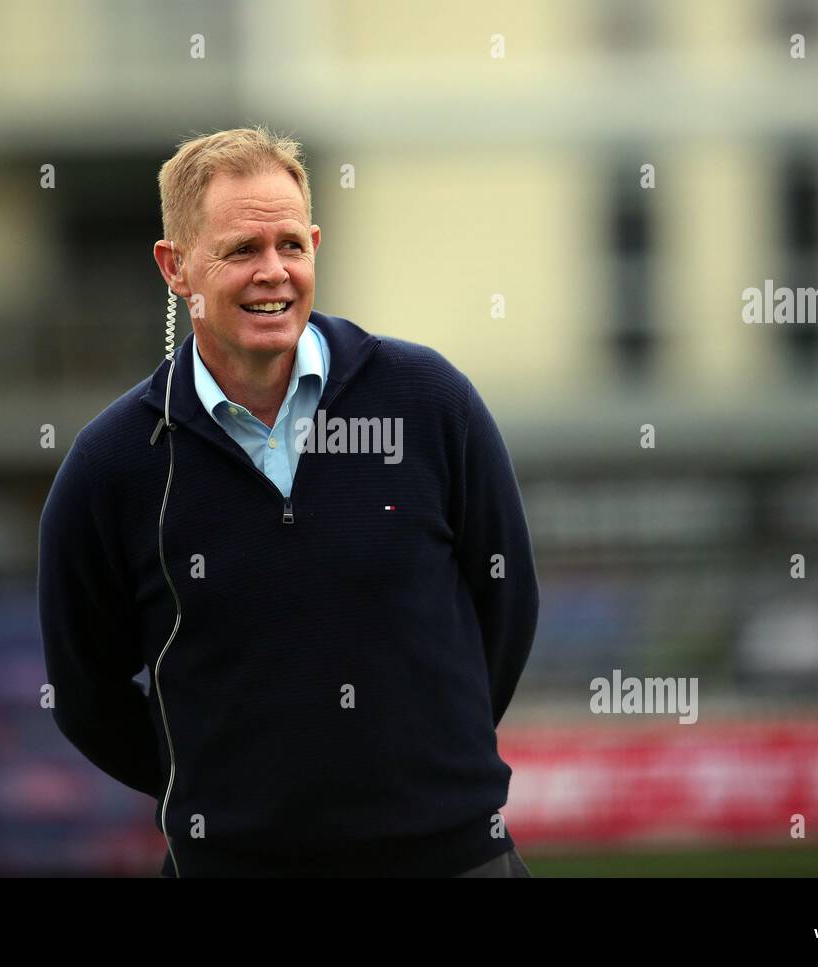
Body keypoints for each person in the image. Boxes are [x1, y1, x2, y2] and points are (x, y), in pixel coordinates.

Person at [38, 126, 539, 877]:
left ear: (313, 247)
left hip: (453, 859)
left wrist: (428, 762)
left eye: (290, 246)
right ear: (176, 268)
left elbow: (507, 605)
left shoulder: (428, 402)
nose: (273, 272)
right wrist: (226, 790)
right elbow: (85, 692)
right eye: (241, 250)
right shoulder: (111, 465)